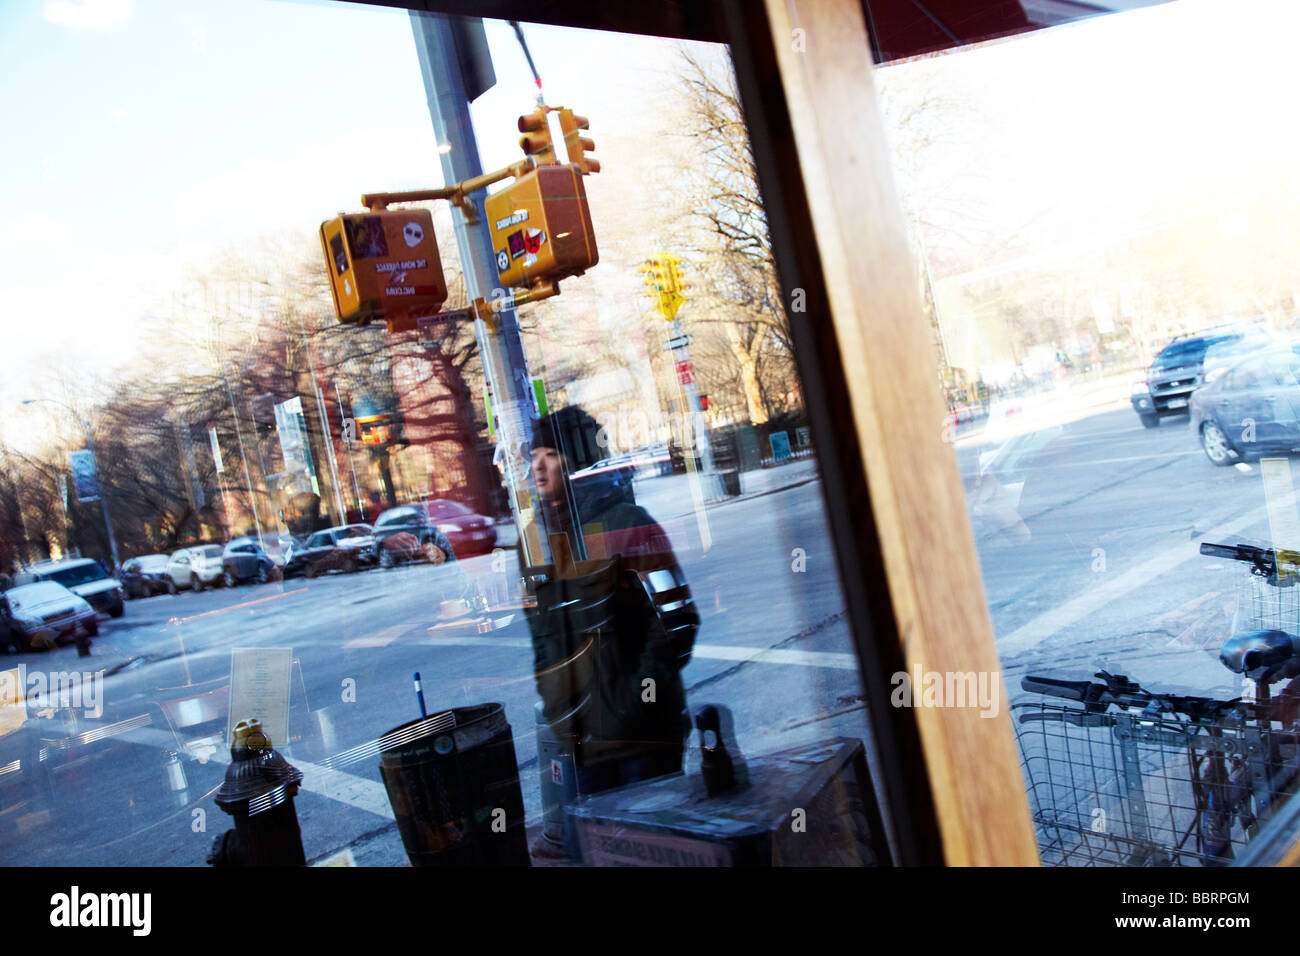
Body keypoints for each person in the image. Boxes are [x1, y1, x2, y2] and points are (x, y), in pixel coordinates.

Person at [522, 406, 698, 798]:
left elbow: (677, 620)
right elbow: (541, 641)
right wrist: (558, 712)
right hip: (583, 746)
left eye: (550, 455)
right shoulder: (533, 542)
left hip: (646, 739)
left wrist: (636, 703)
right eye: (534, 457)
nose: (538, 467)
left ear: (577, 463)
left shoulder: (627, 522)